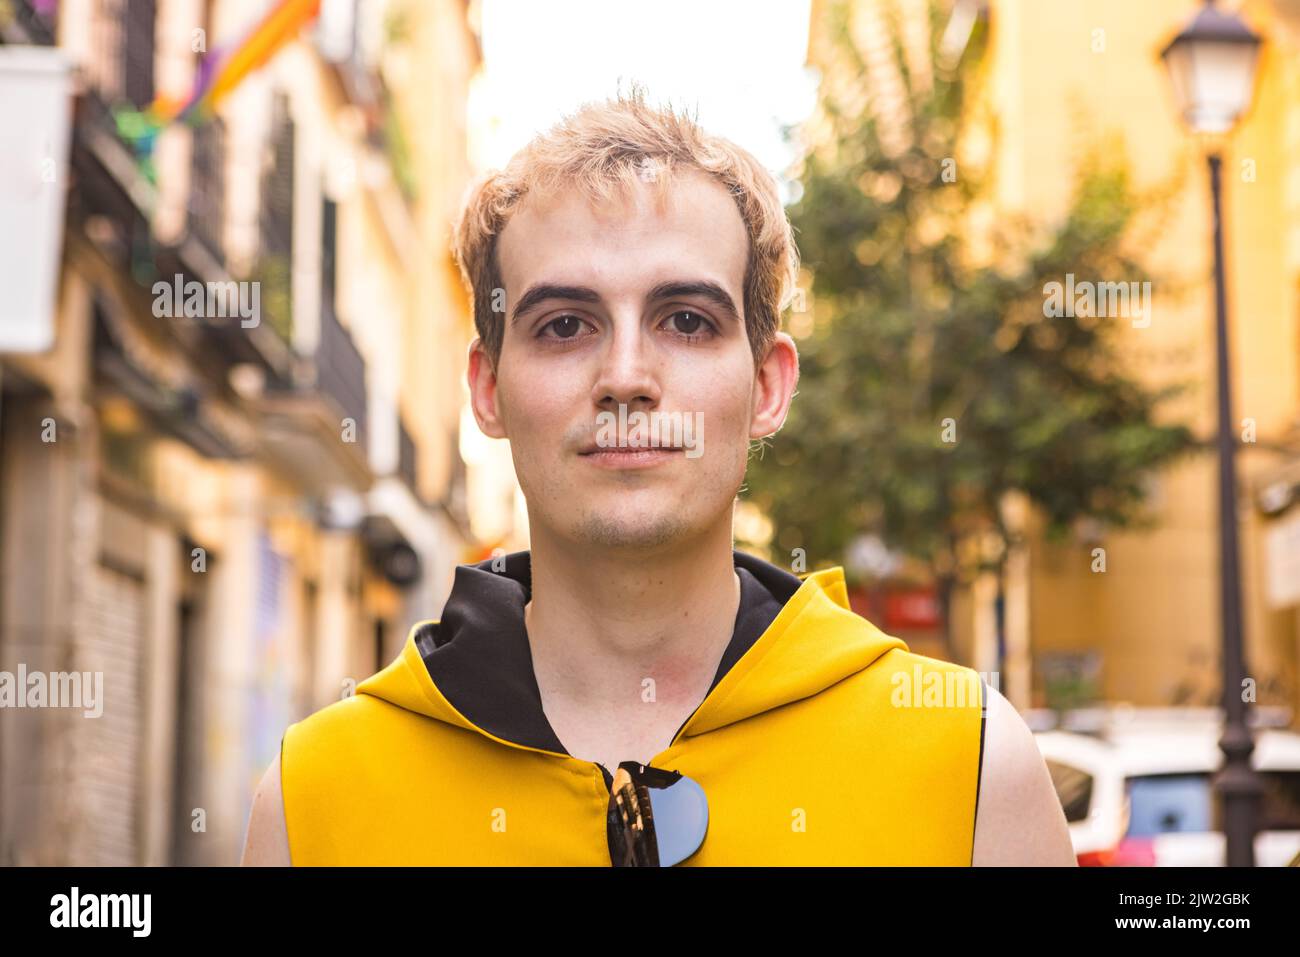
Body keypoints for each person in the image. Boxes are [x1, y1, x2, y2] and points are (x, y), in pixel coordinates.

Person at [241, 87, 1074, 866]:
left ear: (768, 386)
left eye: (686, 320)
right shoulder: (313, 799)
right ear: (488, 389)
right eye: (564, 325)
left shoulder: (971, 768)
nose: (626, 377)